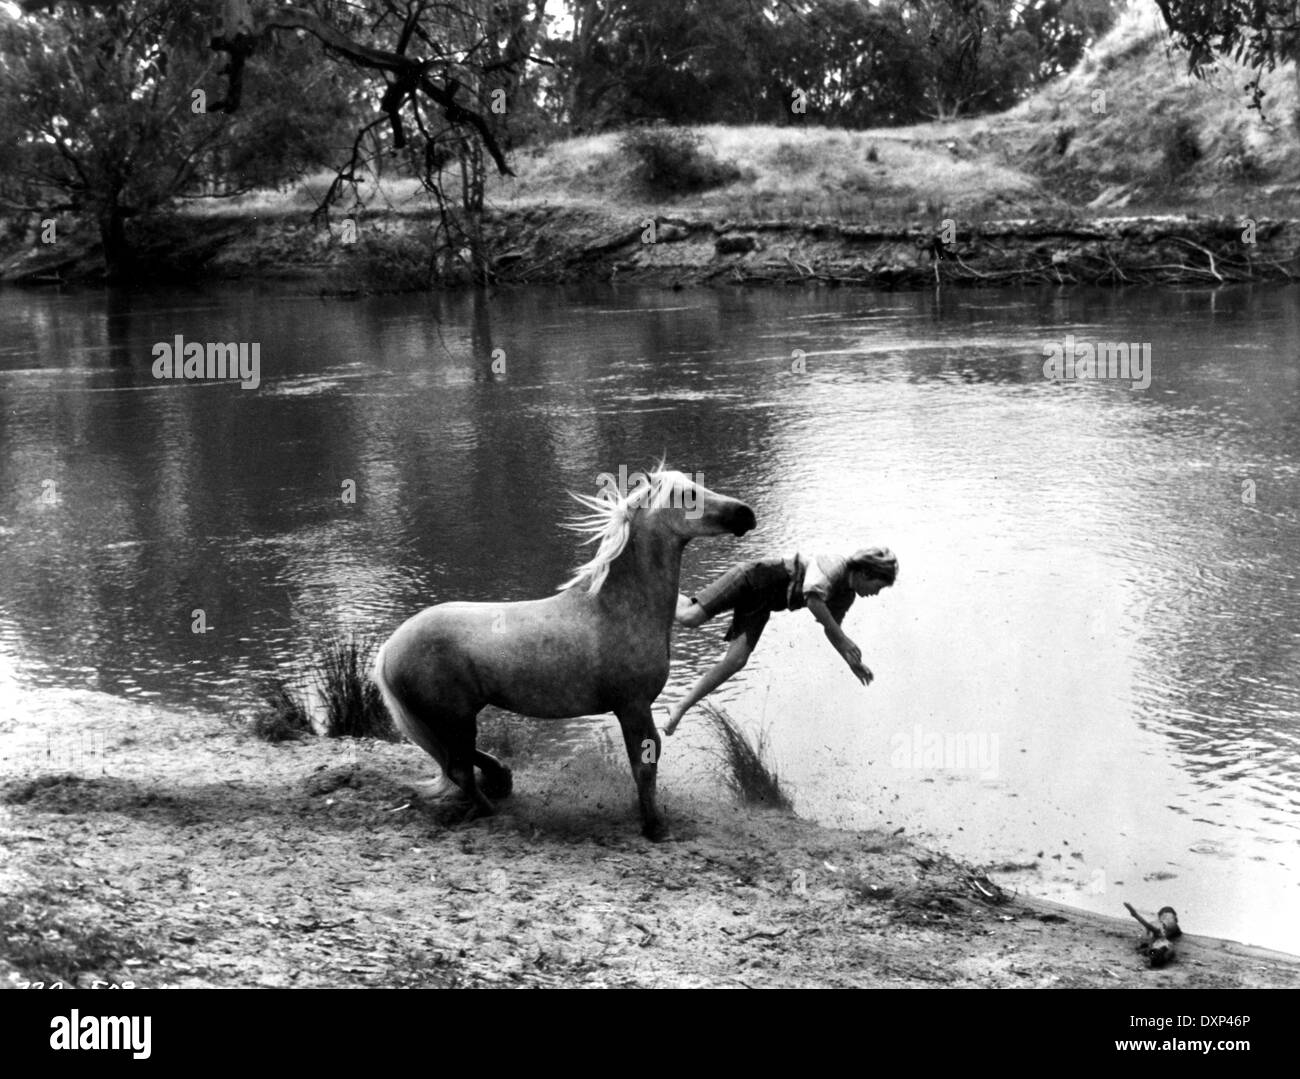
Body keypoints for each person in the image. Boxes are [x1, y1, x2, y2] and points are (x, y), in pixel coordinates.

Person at [662, 547, 898, 735]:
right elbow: (814, 599)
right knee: (689, 617)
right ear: (866, 574)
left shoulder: (845, 595)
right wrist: (845, 640)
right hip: (752, 578)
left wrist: (851, 662)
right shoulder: (835, 564)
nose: (875, 594)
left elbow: (831, 628)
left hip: (762, 603)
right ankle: (654, 584)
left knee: (736, 661)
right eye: (877, 587)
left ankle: (679, 707)